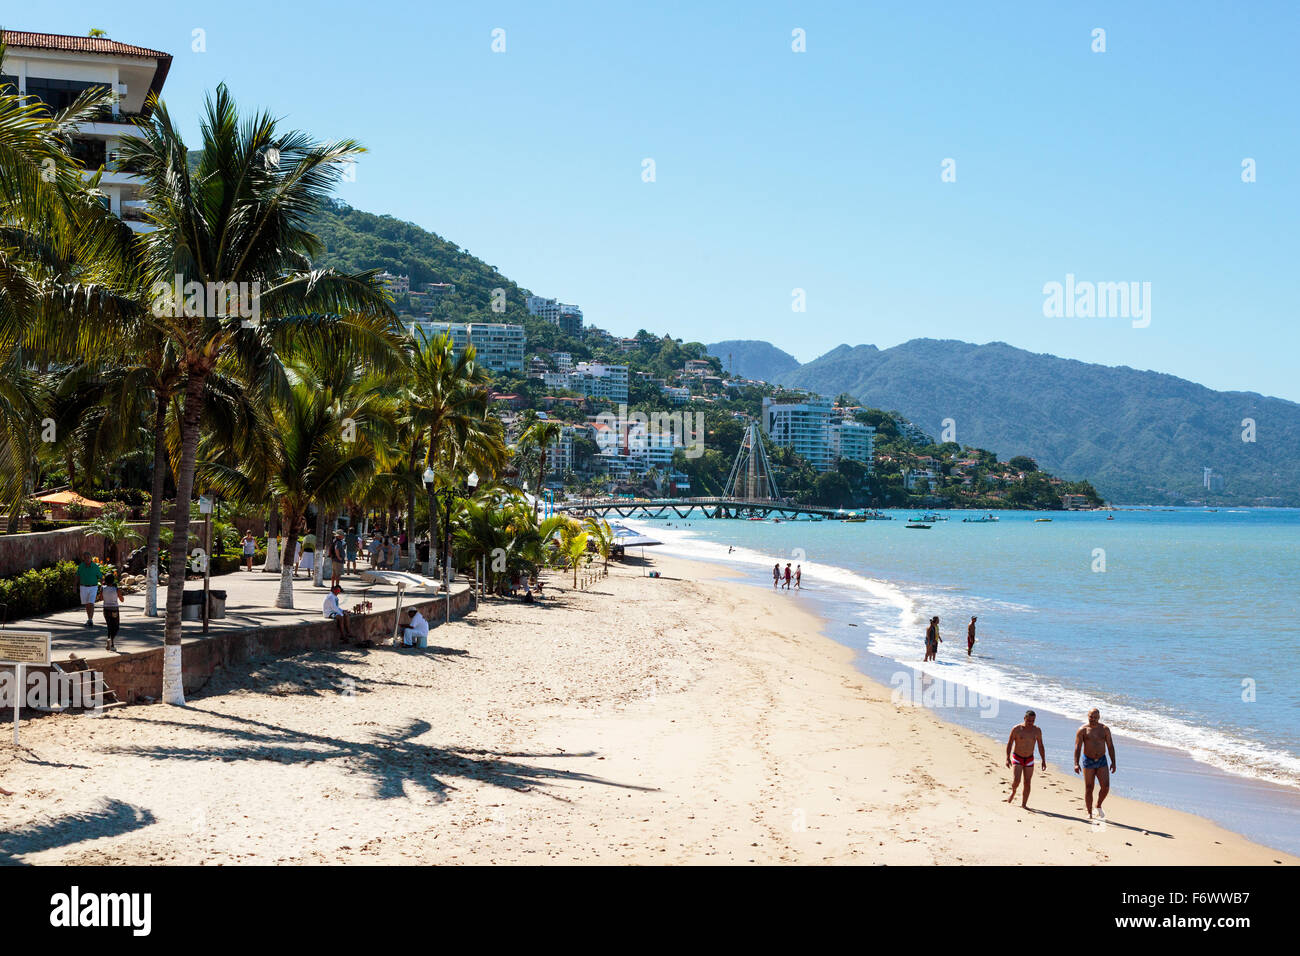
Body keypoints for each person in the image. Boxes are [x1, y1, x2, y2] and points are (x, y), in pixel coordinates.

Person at [1074, 707, 1117, 820]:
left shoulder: (1104, 729)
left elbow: (1110, 746)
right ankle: (1089, 812)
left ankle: (1098, 805)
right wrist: (1076, 763)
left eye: (1095, 717)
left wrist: (1113, 762)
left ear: (1099, 717)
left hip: (1102, 760)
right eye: (1090, 717)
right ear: (1088, 716)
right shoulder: (1082, 730)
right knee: (1089, 787)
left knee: (1106, 787)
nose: (1092, 719)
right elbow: (1077, 748)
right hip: (1088, 760)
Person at [1005, 710, 1046, 808]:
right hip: (1017, 757)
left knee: (1027, 782)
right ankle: (1013, 791)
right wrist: (1007, 758)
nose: (1030, 723)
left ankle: (1024, 804)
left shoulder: (1037, 731)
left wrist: (1043, 760)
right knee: (1017, 780)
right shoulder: (1017, 729)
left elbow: (1040, 746)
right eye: (1029, 720)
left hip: (1029, 758)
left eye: (1032, 721)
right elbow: (1010, 743)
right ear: (1024, 718)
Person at [76, 552, 103, 628]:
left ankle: (90, 619)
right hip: (83, 587)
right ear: (83, 558)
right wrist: (75, 586)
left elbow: (100, 577)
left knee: (91, 603)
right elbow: (77, 576)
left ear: (90, 558)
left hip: (93, 587)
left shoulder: (95, 566)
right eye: (85, 557)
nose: (87, 559)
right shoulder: (81, 566)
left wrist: (102, 587)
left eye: (88, 557)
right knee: (87, 604)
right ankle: (89, 619)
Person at [100, 572, 124, 652]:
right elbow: (122, 600)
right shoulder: (116, 589)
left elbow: (100, 598)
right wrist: (117, 593)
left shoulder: (102, 588)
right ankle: (112, 643)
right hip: (114, 609)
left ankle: (109, 641)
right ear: (113, 581)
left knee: (109, 626)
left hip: (106, 609)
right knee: (115, 627)